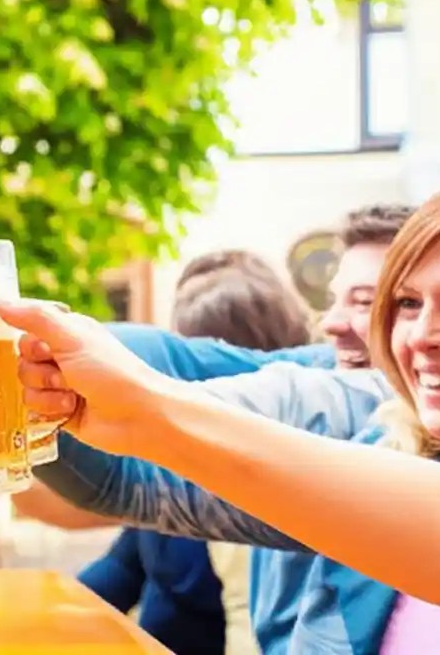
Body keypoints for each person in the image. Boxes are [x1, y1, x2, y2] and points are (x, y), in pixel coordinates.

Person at [2, 173, 440, 649]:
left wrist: (146, 407)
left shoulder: (363, 449)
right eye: (407, 304)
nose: (421, 335)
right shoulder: (376, 446)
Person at [22, 205, 410, 655]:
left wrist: (65, 378)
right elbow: (115, 524)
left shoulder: (341, 413)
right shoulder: (321, 391)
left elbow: (114, 488)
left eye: (364, 302)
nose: (332, 323)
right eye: (334, 300)